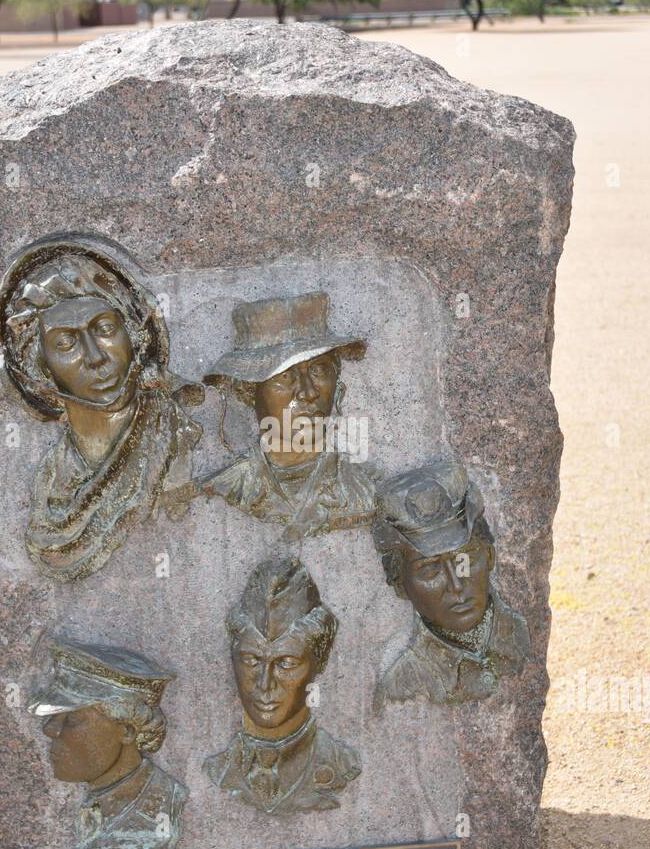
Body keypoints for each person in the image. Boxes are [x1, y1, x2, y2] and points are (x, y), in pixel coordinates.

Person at [0, 241, 202, 580]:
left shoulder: (175, 436)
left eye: (105, 330)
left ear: (134, 336)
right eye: (65, 343)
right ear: (39, 366)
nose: (95, 357)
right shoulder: (53, 479)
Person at [201, 292, 378, 540]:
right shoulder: (222, 490)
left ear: (337, 385)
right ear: (248, 392)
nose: (307, 392)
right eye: (285, 376)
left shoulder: (368, 490)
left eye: (319, 370)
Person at [204, 554, 361, 814]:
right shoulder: (218, 771)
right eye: (251, 660)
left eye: (286, 663)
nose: (265, 684)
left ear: (319, 661)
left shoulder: (342, 765)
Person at [372, 459, 530, 710]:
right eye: (430, 569)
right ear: (400, 584)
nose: (456, 586)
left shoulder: (522, 637)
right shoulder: (404, 689)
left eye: (463, 559)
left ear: (489, 556)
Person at [30, 638, 187, 849]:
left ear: (126, 731)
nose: (49, 729)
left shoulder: (159, 814)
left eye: (72, 719)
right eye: (54, 717)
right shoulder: (98, 800)